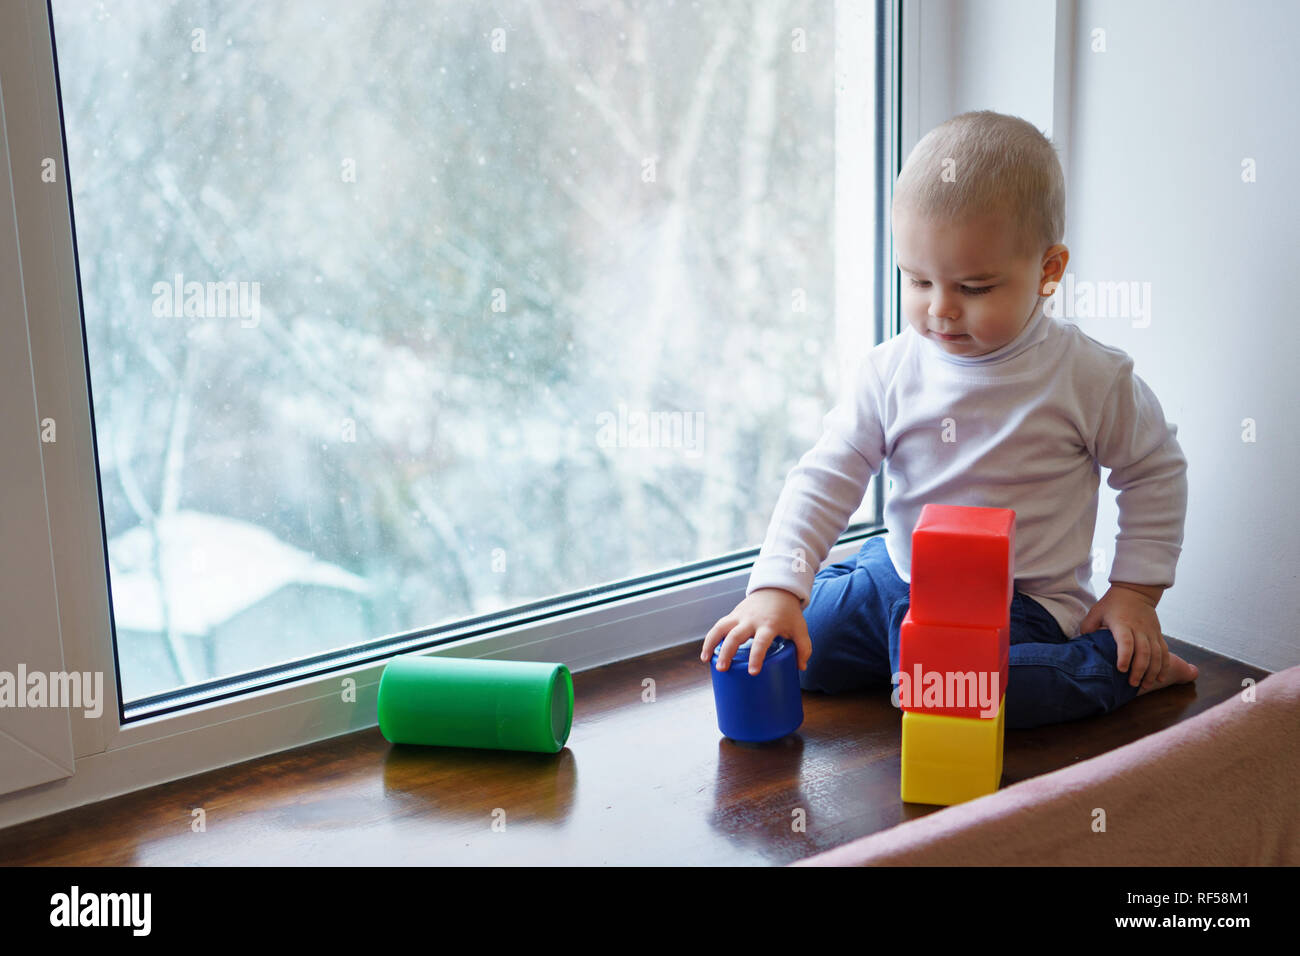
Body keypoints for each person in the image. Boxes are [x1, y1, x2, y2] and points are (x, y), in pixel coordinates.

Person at [699, 110, 1196, 729]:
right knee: (800, 652)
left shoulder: (1088, 377)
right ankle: (889, 645)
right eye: (918, 279)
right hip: (899, 571)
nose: (940, 309)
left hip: (1020, 602)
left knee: (971, 698)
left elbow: (1155, 471)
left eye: (976, 287)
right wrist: (777, 588)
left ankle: (1125, 668)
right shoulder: (891, 371)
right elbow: (825, 475)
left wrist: (1135, 594)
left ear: (1048, 272)